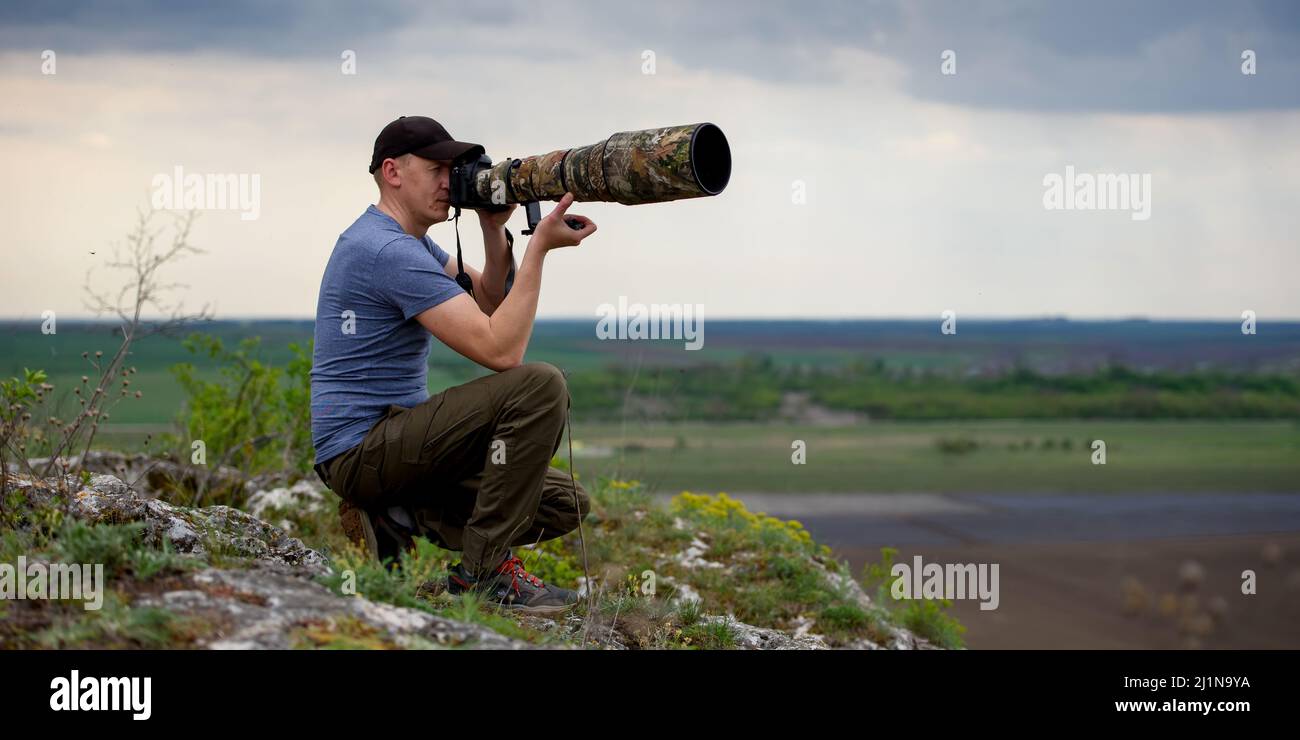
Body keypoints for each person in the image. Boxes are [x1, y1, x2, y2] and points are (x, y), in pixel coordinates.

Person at [309, 115, 598, 614]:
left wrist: (493, 229)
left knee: (563, 501)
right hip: (360, 450)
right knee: (540, 386)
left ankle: (397, 515)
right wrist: (539, 250)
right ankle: (484, 574)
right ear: (393, 172)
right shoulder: (385, 249)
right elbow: (502, 351)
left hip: (397, 444)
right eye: (437, 168)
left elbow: (488, 298)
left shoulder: (410, 241)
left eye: (452, 169)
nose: (449, 182)